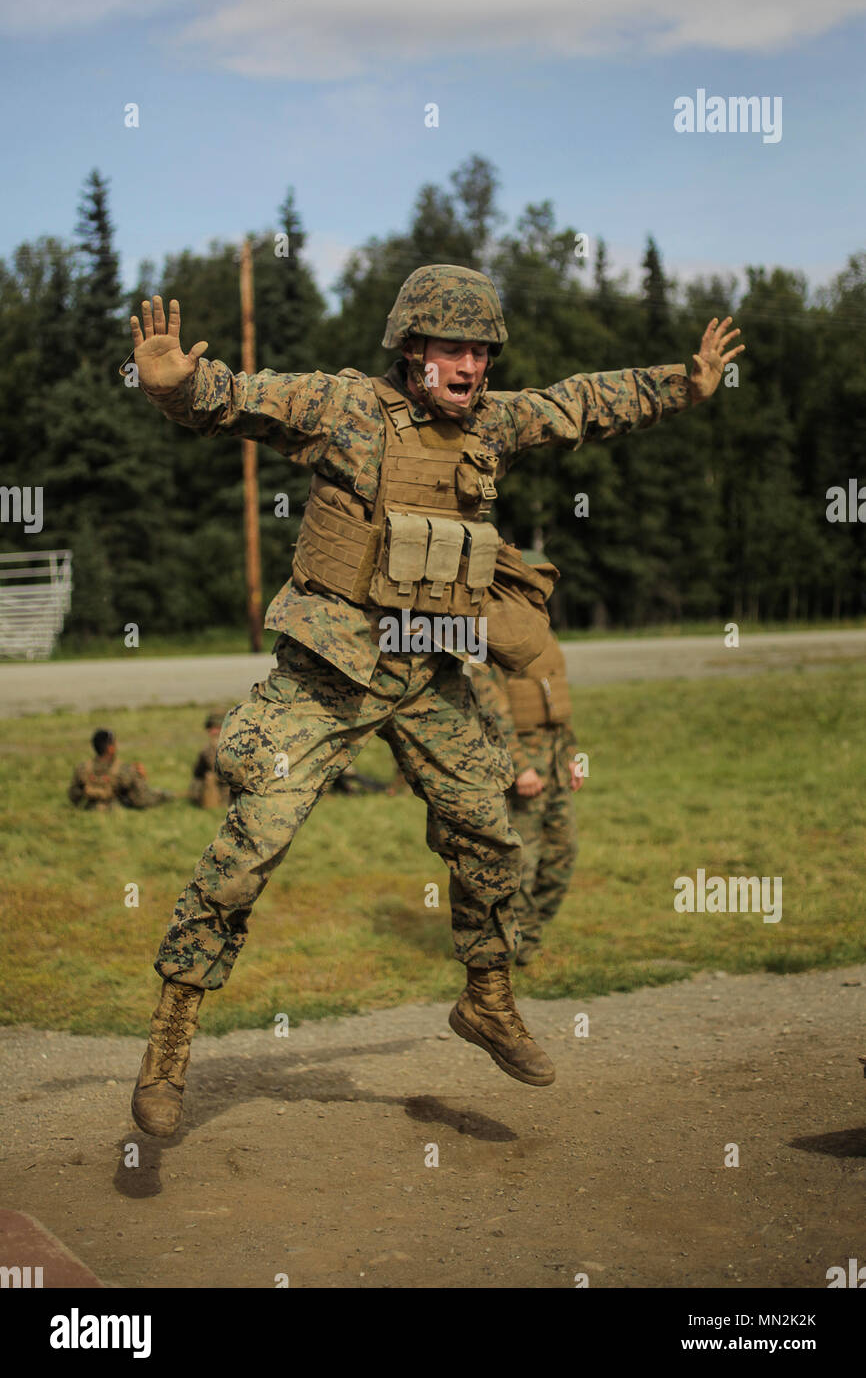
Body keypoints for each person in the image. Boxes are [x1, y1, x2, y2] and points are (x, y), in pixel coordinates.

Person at [124, 266, 743, 1136]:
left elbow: (581, 404)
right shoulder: (346, 410)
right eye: (452, 348)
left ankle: (487, 1002)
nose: (470, 366)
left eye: (482, 351)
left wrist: (685, 385)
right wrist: (177, 389)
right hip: (331, 672)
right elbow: (241, 400)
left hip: (430, 668)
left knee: (489, 836)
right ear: (412, 349)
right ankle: (168, 1049)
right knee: (250, 846)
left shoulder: (493, 423)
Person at [469, 588, 582, 966]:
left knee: (563, 852)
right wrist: (519, 766)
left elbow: (557, 703)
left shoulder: (543, 637)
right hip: (524, 762)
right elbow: (492, 711)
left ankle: (533, 928)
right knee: (523, 860)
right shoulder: (489, 638)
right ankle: (520, 943)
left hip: (554, 758)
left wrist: (571, 757)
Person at [68, 729, 173, 811]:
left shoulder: (82, 768)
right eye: (114, 743)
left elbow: (73, 795)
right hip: (114, 807)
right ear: (110, 748)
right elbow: (142, 800)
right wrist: (143, 780)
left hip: (89, 807)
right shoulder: (125, 770)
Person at [188, 712, 230, 809]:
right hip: (217, 793)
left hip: (232, 795)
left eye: (218, 728)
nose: (214, 732)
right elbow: (197, 773)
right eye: (212, 728)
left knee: (210, 777)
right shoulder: (208, 749)